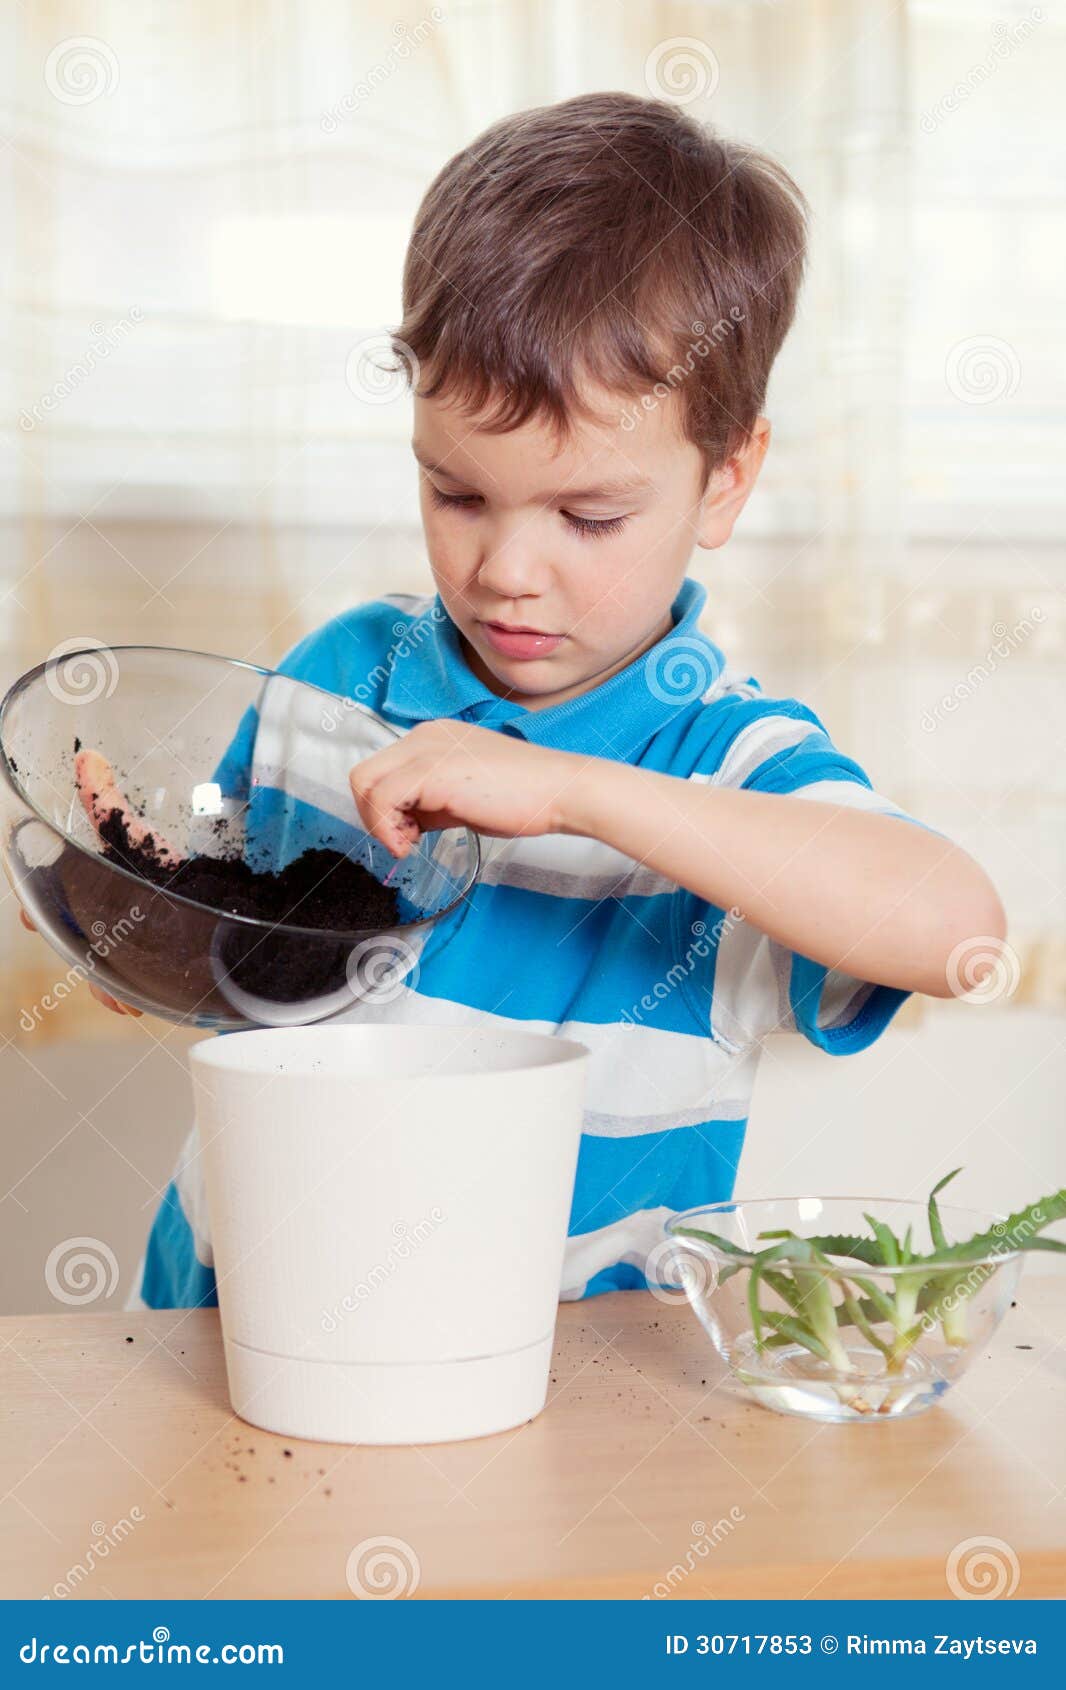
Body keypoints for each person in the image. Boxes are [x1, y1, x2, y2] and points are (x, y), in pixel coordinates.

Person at [35, 93, 1005, 1307]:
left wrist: (573, 792)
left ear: (725, 479)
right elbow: (235, 956)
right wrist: (128, 914)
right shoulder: (339, 678)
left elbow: (957, 930)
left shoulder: (726, 761)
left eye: (587, 516)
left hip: (561, 1383)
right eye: (457, 494)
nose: (506, 570)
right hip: (239, 1315)